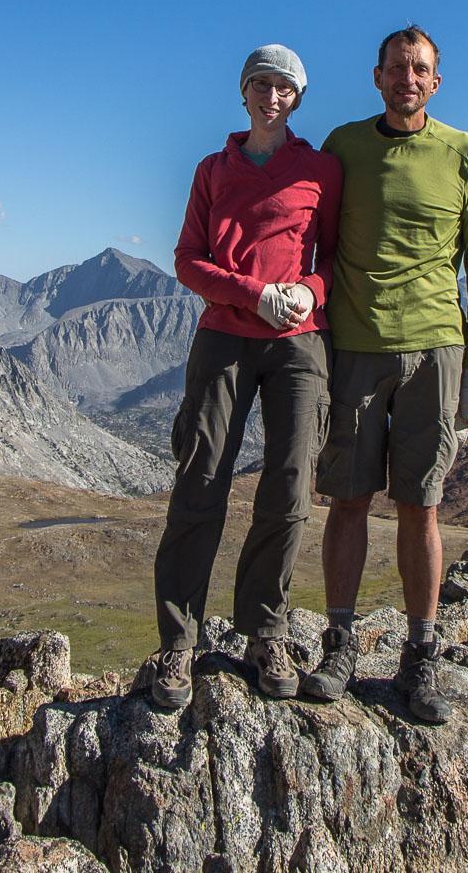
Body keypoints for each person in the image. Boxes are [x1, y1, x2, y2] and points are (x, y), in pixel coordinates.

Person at [300, 26, 468, 723]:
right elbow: (312, 238)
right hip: (353, 346)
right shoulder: (343, 147)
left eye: (420, 70)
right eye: (396, 68)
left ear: (434, 82)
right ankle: (340, 643)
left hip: (435, 350)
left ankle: (420, 655)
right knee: (348, 499)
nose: (407, 79)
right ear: (376, 76)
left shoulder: (463, 152)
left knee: (421, 504)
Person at [150, 44, 342, 709]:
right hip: (225, 336)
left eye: (284, 88)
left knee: (290, 485)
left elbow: (335, 261)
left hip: (297, 344)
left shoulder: (319, 171)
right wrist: (251, 293)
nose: (272, 97)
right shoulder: (213, 169)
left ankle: (266, 631)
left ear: (298, 98)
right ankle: (178, 643)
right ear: (244, 93)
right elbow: (186, 259)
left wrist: (310, 294)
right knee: (201, 479)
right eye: (261, 85)